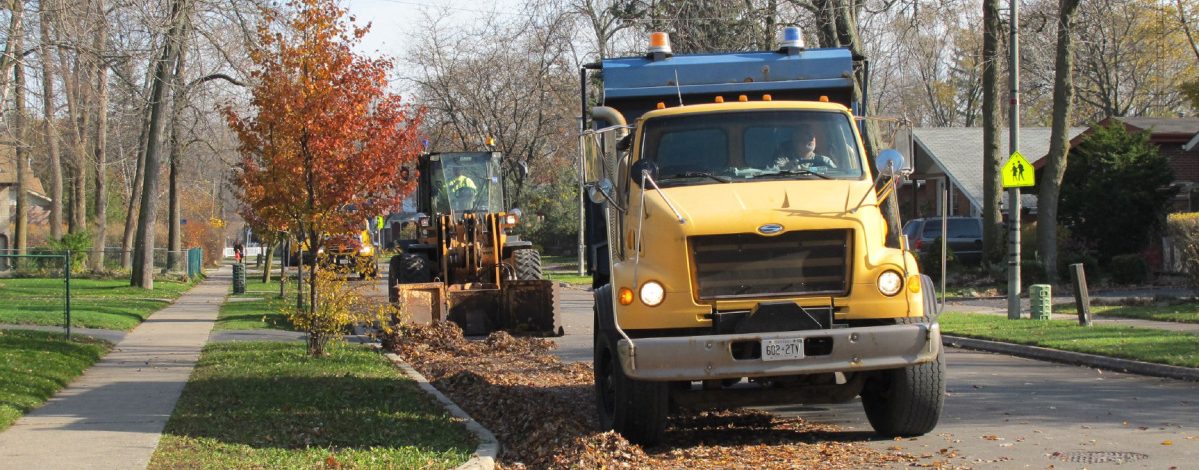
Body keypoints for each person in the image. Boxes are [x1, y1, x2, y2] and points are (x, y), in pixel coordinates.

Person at [773, 125, 838, 171]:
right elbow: (774, 174)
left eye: (812, 136)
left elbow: (837, 176)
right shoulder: (784, 160)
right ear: (795, 140)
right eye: (807, 134)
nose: (811, 139)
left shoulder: (824, 161)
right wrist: (786, 168)